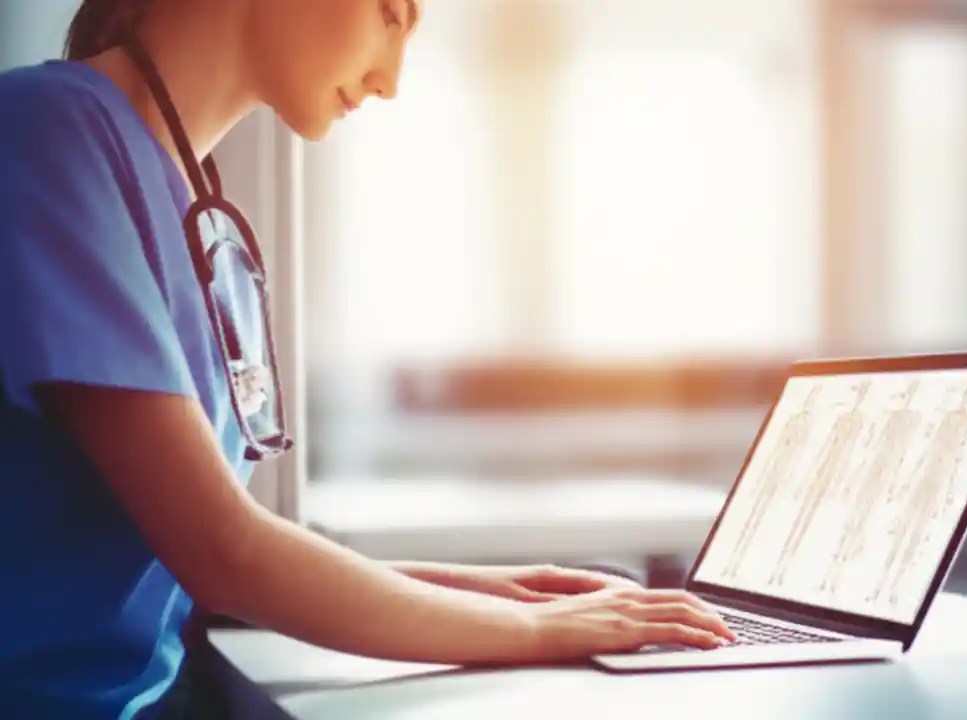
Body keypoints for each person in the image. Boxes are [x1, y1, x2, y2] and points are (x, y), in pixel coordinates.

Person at [0, 1, 733, 717]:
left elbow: (194, 556)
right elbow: (222, 553)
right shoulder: (45, 130)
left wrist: (482, 594)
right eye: (391, 12)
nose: (391, 80)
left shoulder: (180, 189)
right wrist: (535, 633)